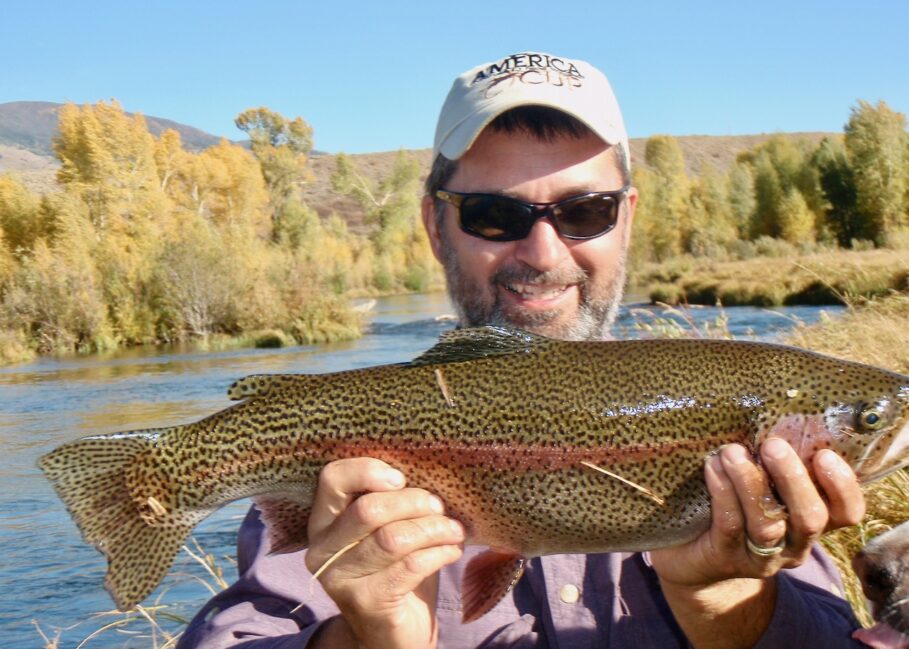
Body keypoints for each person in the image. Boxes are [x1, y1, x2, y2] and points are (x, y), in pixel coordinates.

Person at [178, 52, 866, 648]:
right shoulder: (342, 455)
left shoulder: (734, 431)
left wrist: (723, 600)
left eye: (584, 211)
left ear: (625, 220)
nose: (541, 253)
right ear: (436, 225)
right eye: (494, 215)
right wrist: (363, 640)